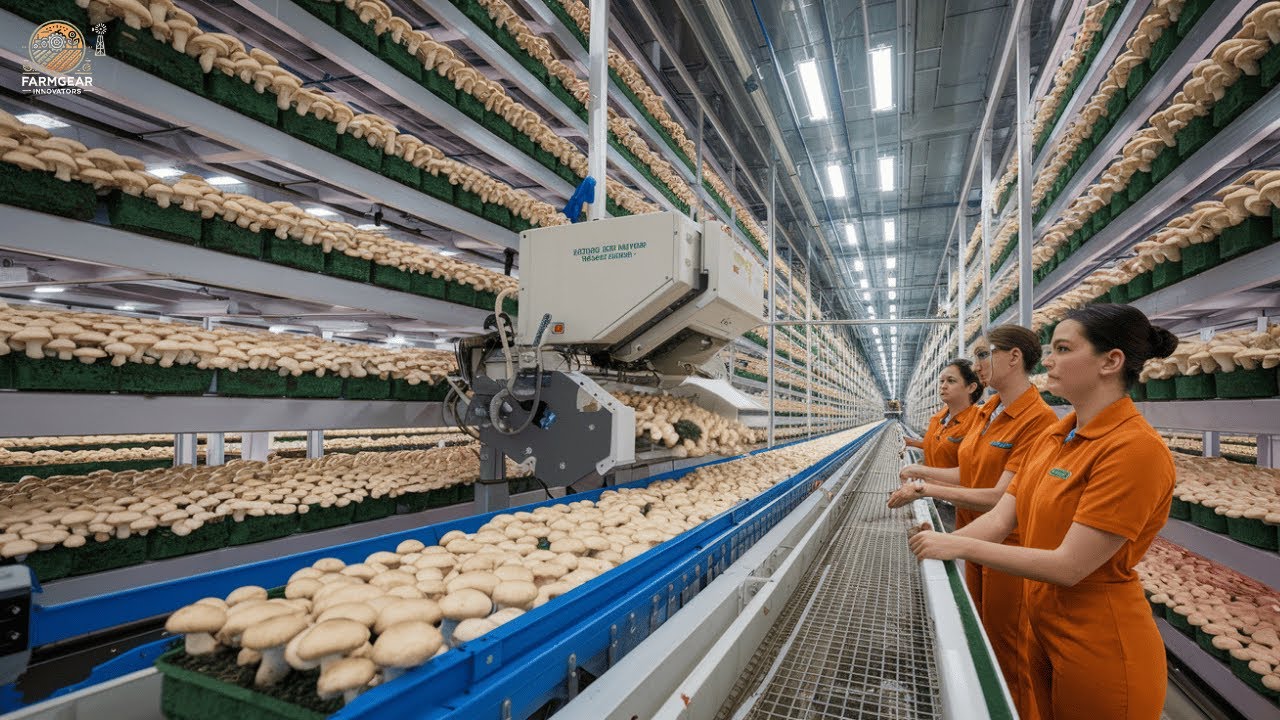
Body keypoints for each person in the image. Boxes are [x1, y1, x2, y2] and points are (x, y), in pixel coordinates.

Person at [908, 305, 1179, 720]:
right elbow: (1002, 517)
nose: (1048, 360)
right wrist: (946, 540)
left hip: (1098, 640)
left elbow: (1070, 566)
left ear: (1111, 361)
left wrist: (952, 544)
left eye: (1063, 349)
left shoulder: (1134, 449)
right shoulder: (1055, 435)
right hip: (1041, 620)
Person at [888, 325, 1057, 716]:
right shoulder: (986, 412)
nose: (977, 364)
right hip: (974, 532)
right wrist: (922, 475)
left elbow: (1001, 497)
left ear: (1013, 358)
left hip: (1009, 546)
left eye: (984, 355)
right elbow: (968, 475)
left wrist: (926, 487)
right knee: (982, 633)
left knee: (1009, 652)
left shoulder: (1038, 420)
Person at [903, 359, 983, 468]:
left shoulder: (978, 422)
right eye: (941, 381)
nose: (943, 386)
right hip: (928, 483)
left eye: (951, 381)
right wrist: (912, 442)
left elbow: (972, 472)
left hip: (946, 485)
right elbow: (940, 447)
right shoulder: (938, 418)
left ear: (971, 387)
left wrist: (920, 472)